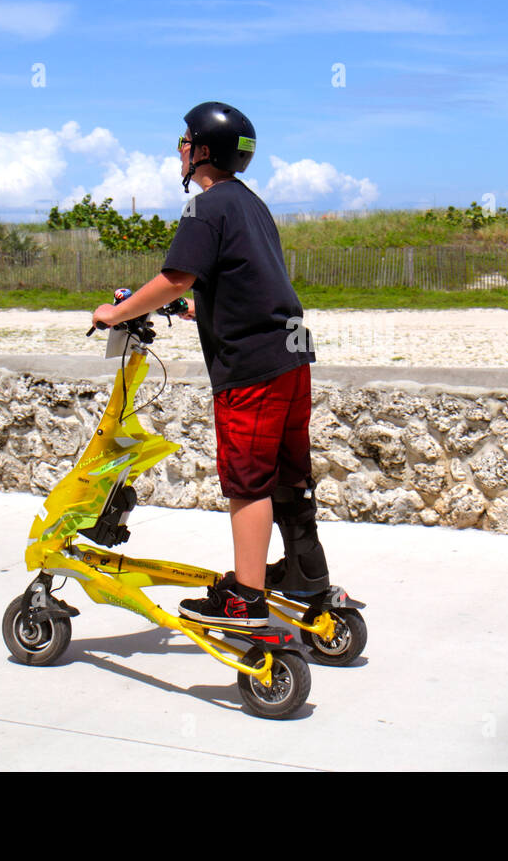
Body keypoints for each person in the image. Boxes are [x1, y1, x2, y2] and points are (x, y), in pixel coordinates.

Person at [90, 102, 330, 628]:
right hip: (290, 356)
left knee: (248, 483)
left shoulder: (206, 207)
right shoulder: (251, 204)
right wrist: (194, 308)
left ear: (201, 151)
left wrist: (115, 313)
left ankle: (245, 598)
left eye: (184, 139)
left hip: (253, 370)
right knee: (288, 474)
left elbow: (174, 276)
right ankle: (305, 573)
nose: (178, 147)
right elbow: (250, 285)